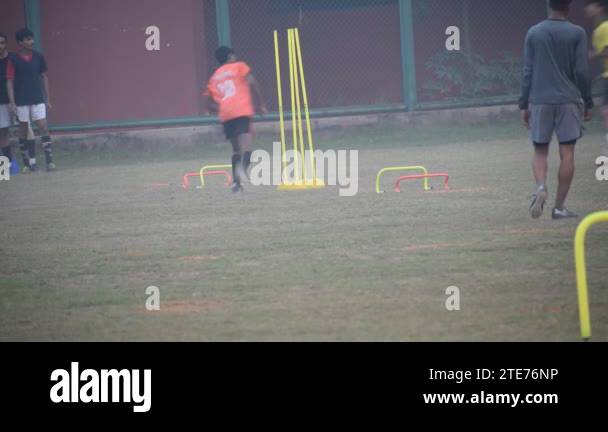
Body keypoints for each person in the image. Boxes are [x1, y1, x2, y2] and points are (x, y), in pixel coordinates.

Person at [520, 0, 594, 220]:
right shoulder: (577, 33)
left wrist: (524, 104)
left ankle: (541, 187)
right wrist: (588, 101)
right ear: (568, 7)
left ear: (549, 5)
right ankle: (559, 208)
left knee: (540, 150)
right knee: (567, 152)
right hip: (568, 100)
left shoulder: (534, 33)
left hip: (540, 100)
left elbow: (527, 70)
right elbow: (581, 70)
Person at [204, 46, 267, 192]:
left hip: (226, 115)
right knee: (247, 149)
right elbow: (252, 82)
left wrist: (222, 108)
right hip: (241, 111)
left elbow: (207, 104)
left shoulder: (214, 77)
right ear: (231, 56)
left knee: (236, 150)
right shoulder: (239, 67)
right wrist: (261, 104)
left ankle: (236, 184)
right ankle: (242, 172)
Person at [6, 28, 55, 173]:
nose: (31, 41)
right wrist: (12, 102)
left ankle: (49, 161)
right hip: (21, 100)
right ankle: (29, 163)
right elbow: (9, 81)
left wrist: (47, 98)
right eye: (27, 39)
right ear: (20, 42)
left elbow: (44, 77)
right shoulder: (13, 59)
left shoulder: (39, 57)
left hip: (37, 98)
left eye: (31, 38)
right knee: (23, 129)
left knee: (42, 126)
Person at [586, 0, 608, 159]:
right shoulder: (598, 29)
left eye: (590, 4)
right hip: (605, 76)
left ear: (599, 7)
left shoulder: (605, 27)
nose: (587, 8)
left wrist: (592, 55)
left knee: (606, 113)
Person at [0, 33, 12, 162]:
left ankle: (29, 165)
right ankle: (4, 168)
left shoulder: (13, 58)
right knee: (3, 132)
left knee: (25, 129)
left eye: (2, 42)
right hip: (1, 102)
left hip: (18, 101)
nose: (0, 46)